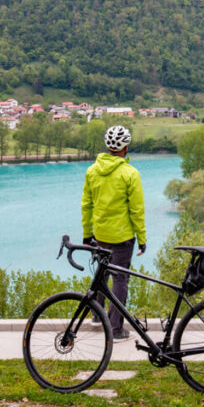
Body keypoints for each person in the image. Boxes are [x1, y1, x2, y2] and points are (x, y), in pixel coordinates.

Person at [81, 125, 146, 340]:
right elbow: (136, 210)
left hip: (100, 235)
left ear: (108, 147)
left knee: (102, 272)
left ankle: (96, 314)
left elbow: (87, 205)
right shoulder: (130, 173)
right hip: (122, 237)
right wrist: (142, 238)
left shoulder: (92, 171)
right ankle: (116, 329)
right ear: (126, 147)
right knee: (120, 281)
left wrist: (87, 234)